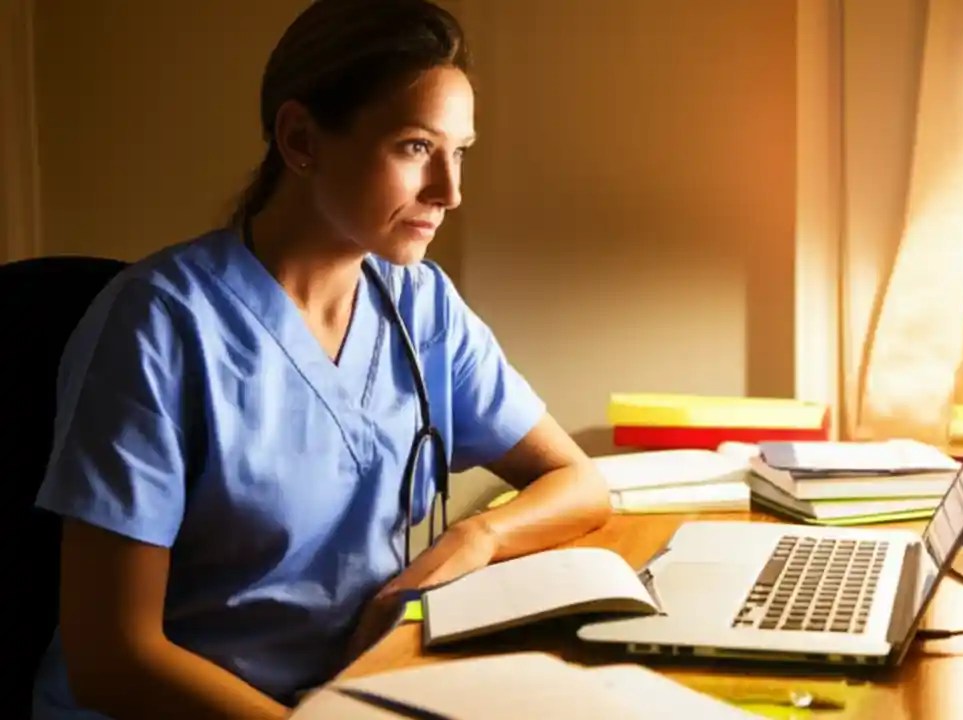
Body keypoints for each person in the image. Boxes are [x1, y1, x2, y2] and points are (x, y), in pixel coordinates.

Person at [30, 1, 612, 717]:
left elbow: (578, 483)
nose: (450, 192)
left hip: (350, 696)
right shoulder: (158, 325)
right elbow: (113, 659)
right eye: (414, 148)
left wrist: (474, 537)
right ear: (301, 138)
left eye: (459, 151)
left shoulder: (422, 306)